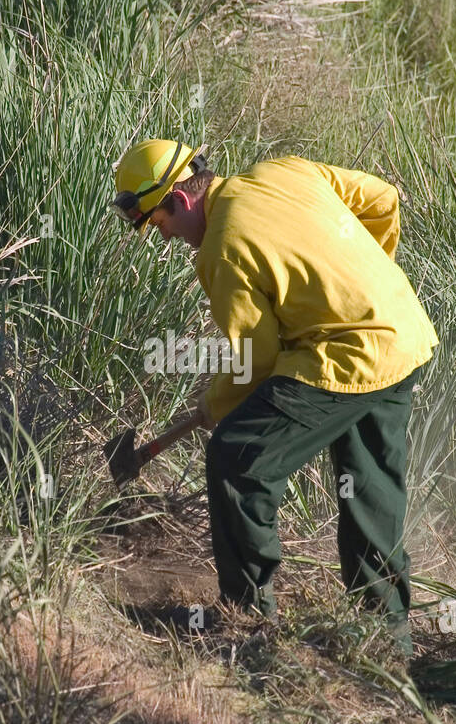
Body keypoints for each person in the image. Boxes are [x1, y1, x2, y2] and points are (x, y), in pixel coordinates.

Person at [110, 137, 439, 654]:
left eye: (159, 223)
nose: (167, 237)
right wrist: (366, 282)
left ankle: (246, 621)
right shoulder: (283, 172)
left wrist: (212, 407)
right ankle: (386, 640)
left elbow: (256, 359)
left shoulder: (221, 246)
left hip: (346, 354)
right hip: (402, 334)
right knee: (367, 486)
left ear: (181, 198)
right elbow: (382, 198)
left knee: (239, 458)